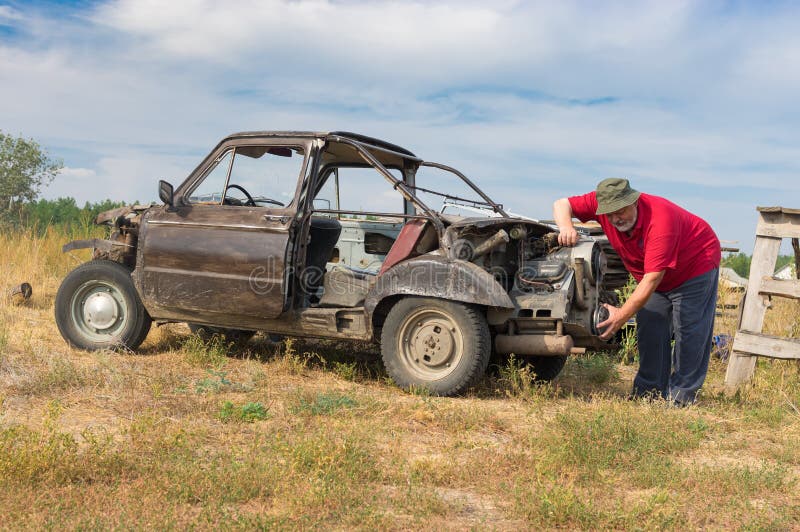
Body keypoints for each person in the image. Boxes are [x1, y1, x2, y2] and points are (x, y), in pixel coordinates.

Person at [553, 178, 721, 405]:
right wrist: (566, 226)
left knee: (689, 332)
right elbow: (562, 204)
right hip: (652, 274)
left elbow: (652, 279)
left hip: (695, 265)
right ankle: (649, 393)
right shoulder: (602, 202)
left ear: (634, 202)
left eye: (620, 211)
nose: (614, 219)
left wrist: (621, 316)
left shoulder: (660, 220)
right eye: (609, 214)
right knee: (650, 327)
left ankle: (682, 396)